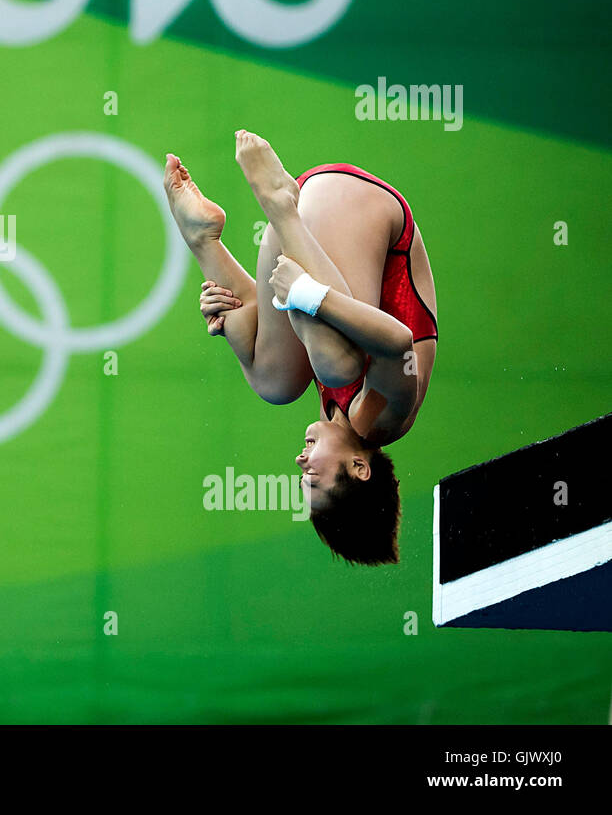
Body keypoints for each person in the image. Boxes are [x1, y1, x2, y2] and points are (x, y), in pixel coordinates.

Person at [163, 131, 438, 565]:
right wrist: (308, 295)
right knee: (338, 365)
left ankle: (204, 240)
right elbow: (397, 344)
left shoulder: (341, 415)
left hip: (309, 230)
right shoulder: (384, 417)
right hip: (354, 201)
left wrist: (232, 321)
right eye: (313, 479)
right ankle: (280, 208)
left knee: (274, 384)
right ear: (360, 470)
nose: (299, 462)